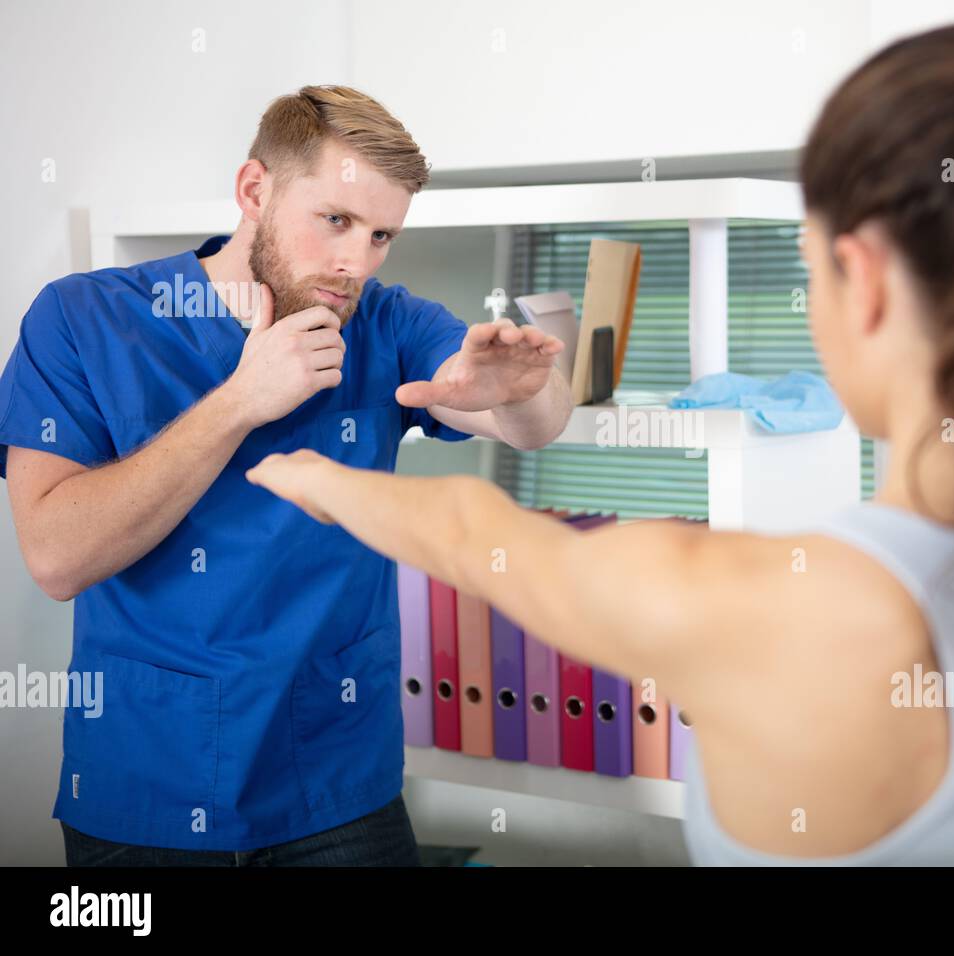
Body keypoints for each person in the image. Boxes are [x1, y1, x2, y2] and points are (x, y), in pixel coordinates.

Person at [248, 0, 954, 865]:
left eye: (809, 270)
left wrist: (307, 472)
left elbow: (474, 527)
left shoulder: (767, 605)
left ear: (870, 282)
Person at [0, 85, 572, 866]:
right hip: (142, 789)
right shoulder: (80, 319)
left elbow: (525, 422)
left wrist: (526, 390)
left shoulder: (385, 322)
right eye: (334, 220)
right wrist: (240, 402)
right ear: (254, 190)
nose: (354, 262)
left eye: (380, 236)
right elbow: (56, 558)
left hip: (338, 789)